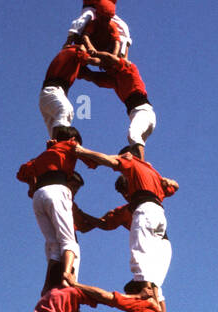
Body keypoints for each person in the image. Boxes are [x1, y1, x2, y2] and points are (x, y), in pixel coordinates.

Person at [76, 143, 178, 297]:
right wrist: (170, 182)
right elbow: (173, 188)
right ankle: (157, 307)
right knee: (152, 269)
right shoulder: (152, 173)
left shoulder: (133, 163)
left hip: (146, 211)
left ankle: (144, 290)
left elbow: (109, 160)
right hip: (159, 218)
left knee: (139, 249)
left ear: (129, 155)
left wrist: (83, 151)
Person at [17, 129, 86, 290]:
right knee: (69, 242)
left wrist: (32, 183)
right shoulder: (70, 145)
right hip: (56, 191)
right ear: (73, 139)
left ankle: (47, 287)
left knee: (53, 245)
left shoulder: (42, 157)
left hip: (38, 196)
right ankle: (67, 276)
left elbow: (22, 172)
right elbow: (91, 159)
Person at [79, 41, 156, 148]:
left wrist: (93, 52)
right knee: (134, 146)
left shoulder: (128, 67)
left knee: (133, 135)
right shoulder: (115, 80)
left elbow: (111, 58)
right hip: (137, 113)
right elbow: (91, 76)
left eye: (106, 67)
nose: (106, 69)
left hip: (143, 111)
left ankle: (140, 165)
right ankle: (140, 162)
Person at [38, 42, 98, 137]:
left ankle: (57, 146)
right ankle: (62, 143)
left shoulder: (70, 55)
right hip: (53, 90)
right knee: (66, 110)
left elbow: (90, 76)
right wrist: (107, 58)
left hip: (49, 93)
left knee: (57, 125)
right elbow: (93, 61)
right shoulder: (76, 52)